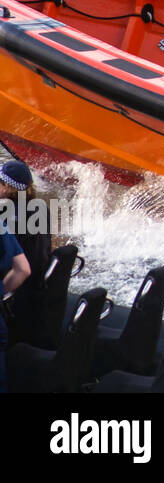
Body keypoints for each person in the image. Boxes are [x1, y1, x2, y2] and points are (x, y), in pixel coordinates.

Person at [1, 158, 34, 394]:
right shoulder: (38, 212)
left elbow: (22, 268)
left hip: (18, 300)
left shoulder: (8, 219)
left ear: (5, 187)